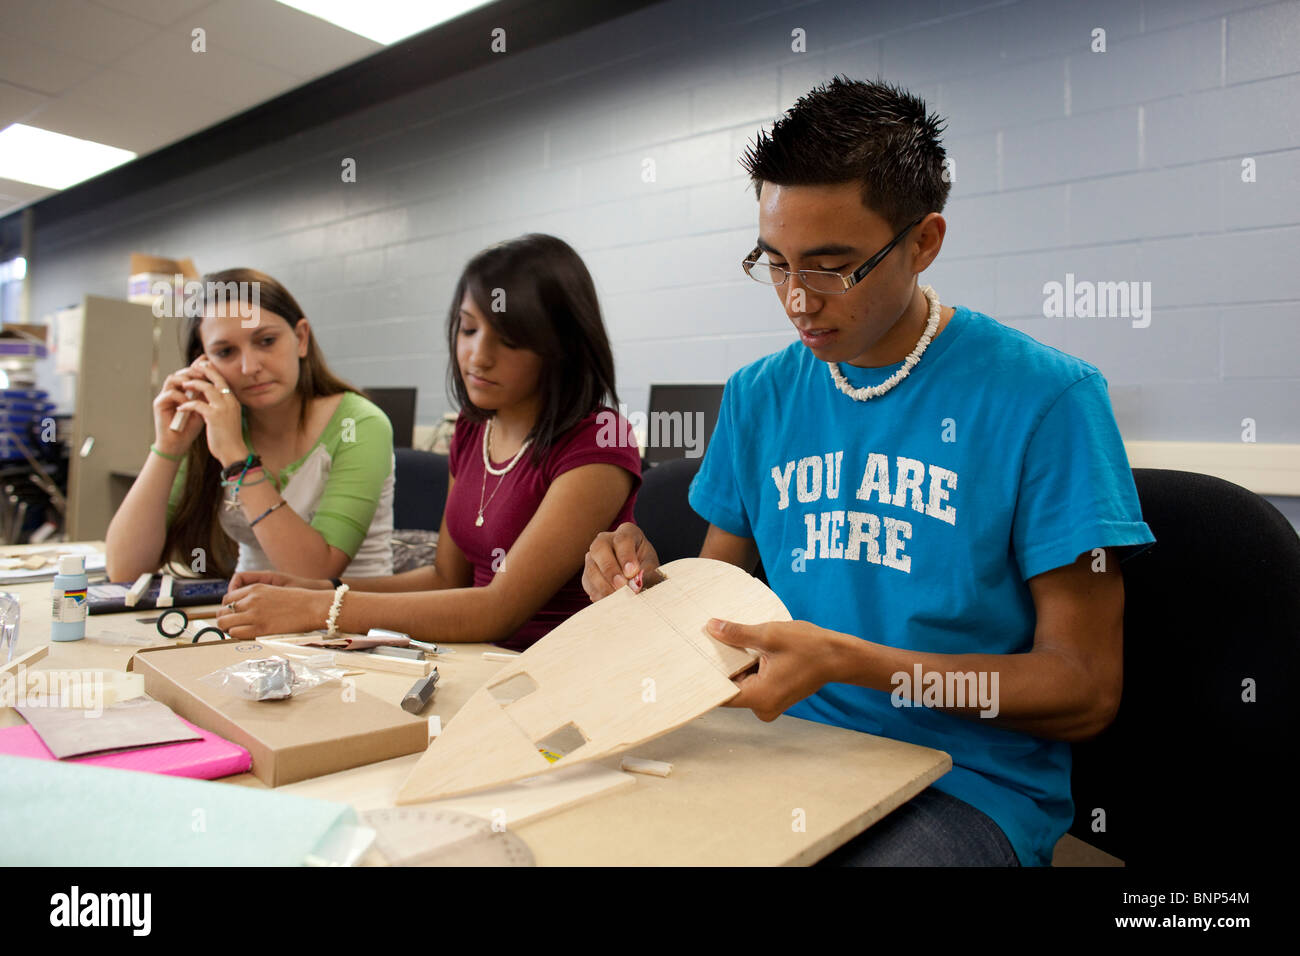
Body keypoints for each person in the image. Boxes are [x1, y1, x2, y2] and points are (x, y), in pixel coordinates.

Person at [582, 77, 1156, 867]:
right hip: (775, 745)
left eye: (832, 267)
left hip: (958, 786)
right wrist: (642, 591)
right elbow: (712, 617)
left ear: (923, 242)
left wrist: (864, 667)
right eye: (775, 263)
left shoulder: (1048, 400)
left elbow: (1085, 690)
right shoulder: (761, 394)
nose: (797, 300)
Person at [217, 234, 641, 649]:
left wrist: (319, 607)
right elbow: (445, 579)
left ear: (561, 348)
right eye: (468, 329)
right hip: (471, 659)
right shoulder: (475, 428)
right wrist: (319, 588)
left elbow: (499, 608)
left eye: (508, 340)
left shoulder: (599, 443)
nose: (477, 355)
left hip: (553, 672)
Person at [107, 268, 394, 583]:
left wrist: (236, 458)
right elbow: (124, 570)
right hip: (248, 611)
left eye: (266, 341)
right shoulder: (213, 424)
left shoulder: (360, 423)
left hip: (349, 618)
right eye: (225, 352)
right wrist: (168, 448)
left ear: (301, 339)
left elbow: (313, 576)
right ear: (203, 364)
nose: (250, 367)